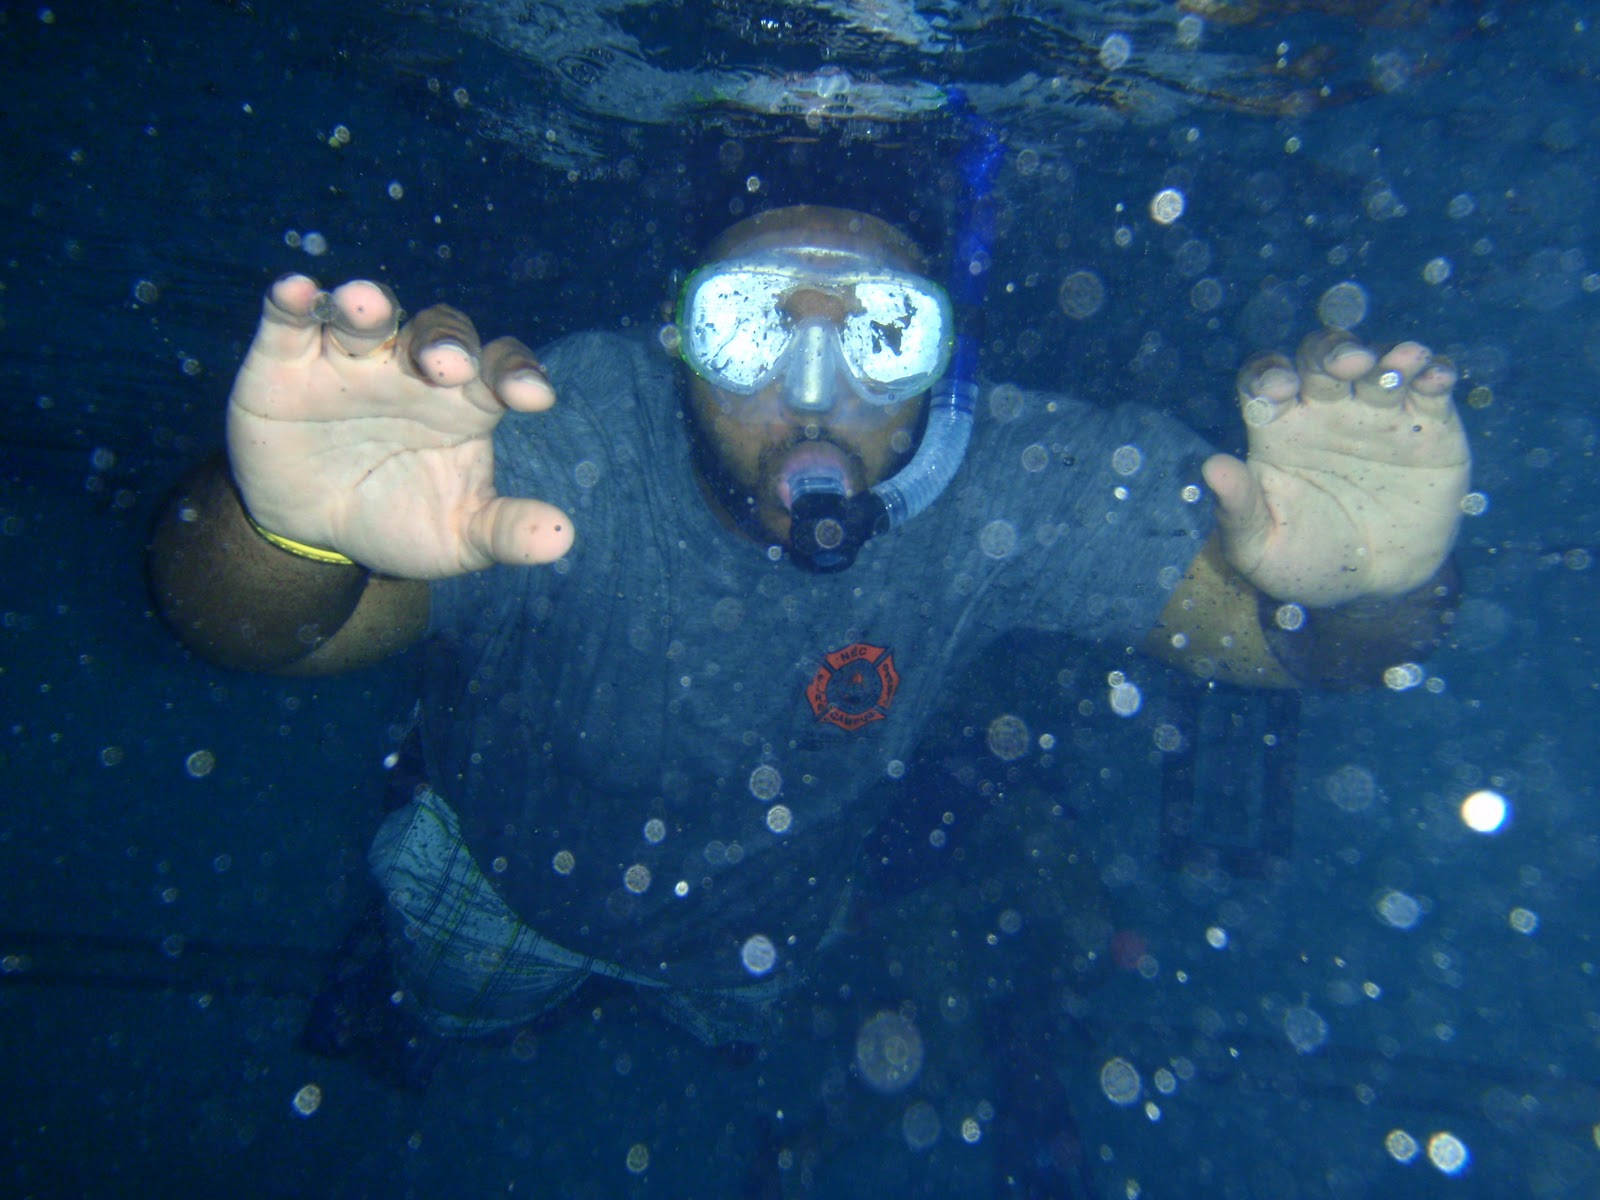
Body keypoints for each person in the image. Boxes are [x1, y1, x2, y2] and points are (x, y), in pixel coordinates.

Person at [147, 204, 1468, 1057]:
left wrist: (1366, 596)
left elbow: (1265, 630)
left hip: (756, 932)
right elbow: (257, 632)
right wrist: (286, 528)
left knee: (741, 1036)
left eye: (883, 334)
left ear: (945, 366)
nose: (812, 391)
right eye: (749, 324)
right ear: (678, 338)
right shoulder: (564, 434)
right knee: (437, 1012)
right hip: (492, 885)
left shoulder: (1015, 478)